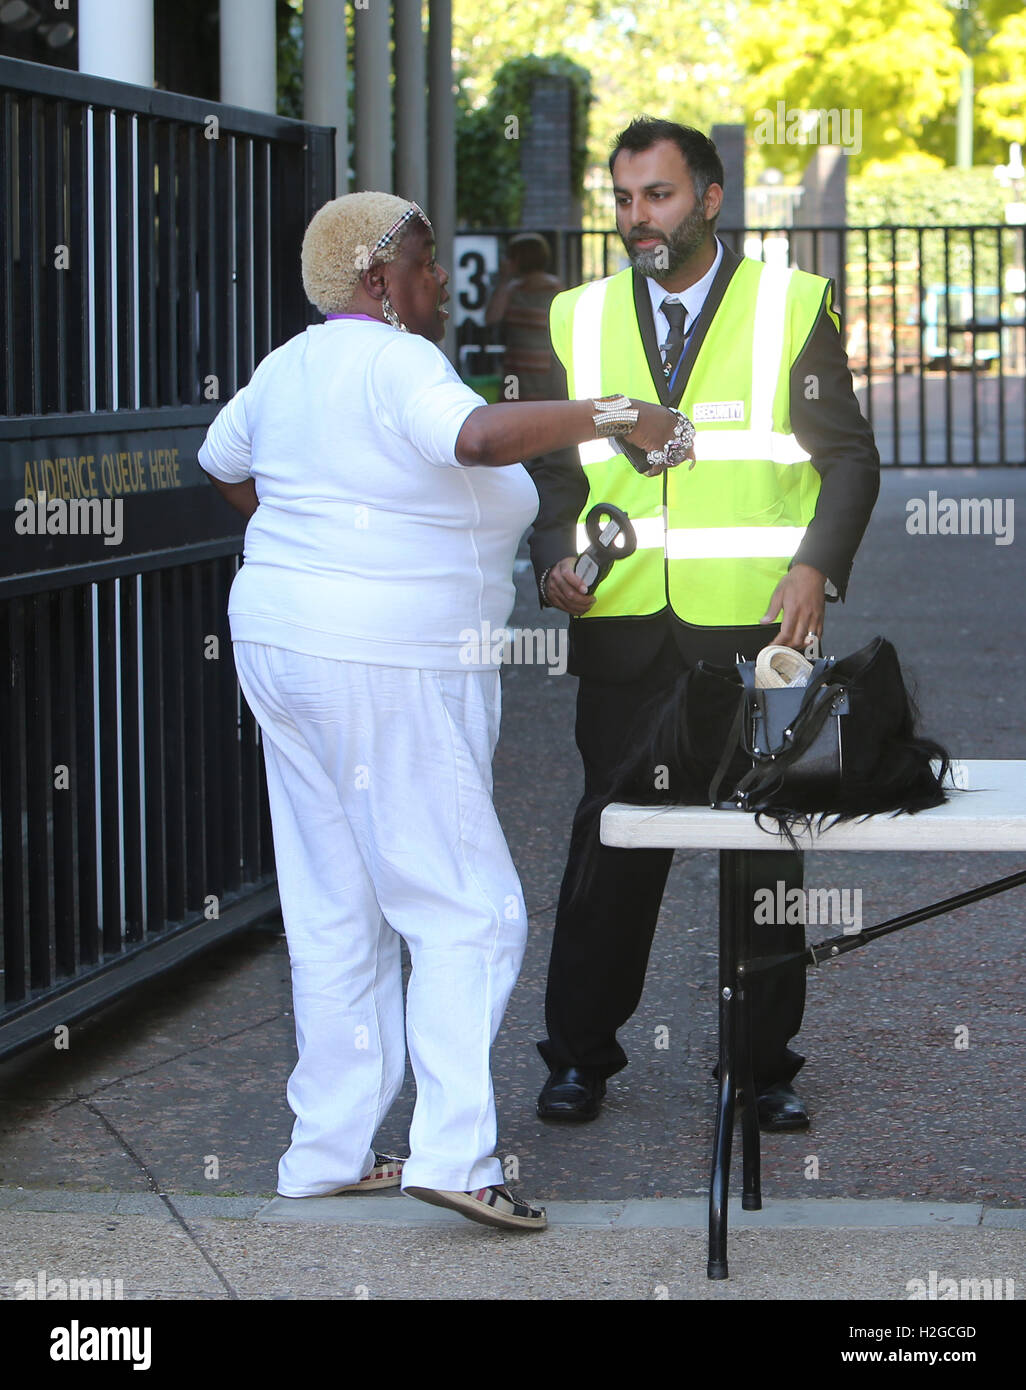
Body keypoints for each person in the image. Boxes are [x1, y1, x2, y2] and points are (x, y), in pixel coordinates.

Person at [197, 191, 684, 1231]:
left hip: (283, 643)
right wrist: (619, 411)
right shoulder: (395, 361)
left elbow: (224, 463)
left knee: (337, 904)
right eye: (421, 262)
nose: (437, 281)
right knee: (470, 907)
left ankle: (325, 1151)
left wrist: (312, 541)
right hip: (389, 661)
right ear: (377, 279)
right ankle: (457, 1153)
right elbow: (472, 439)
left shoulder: (288, 368)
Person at [527, 119, 880, 1130]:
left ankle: (762, 1067)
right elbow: (550, 467)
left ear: (711, 199)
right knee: (610, 842)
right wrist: (553, 551)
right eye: (627, 198)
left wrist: (816, 565)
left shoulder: (788, 305)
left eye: (661, 196)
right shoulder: (577, 316)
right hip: (626, 627)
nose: (640, 218)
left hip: (759, 637)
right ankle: (579, 1059)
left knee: (767, 847)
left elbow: (849, 460)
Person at [485, 233, 565, 401]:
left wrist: (504, 280)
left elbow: (491, 317)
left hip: (519, 370)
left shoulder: (511, 290)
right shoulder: (556, 288)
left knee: (510, 413)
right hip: (541, 368)